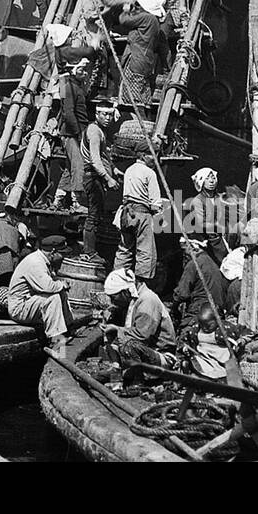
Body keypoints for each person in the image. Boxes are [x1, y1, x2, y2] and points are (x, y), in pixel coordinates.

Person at [8, 235, 73, 358]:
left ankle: (68, 329)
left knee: (60, 293)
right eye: (62, 254)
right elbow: (48, 287)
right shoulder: (35, 262)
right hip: (19, 307)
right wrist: (61, 284)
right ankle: (57, 344)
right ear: (53, 252)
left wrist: (60, 285)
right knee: (52, 299)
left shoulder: (43, 260)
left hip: (29, 303)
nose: (63, 257)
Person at [102, 268, 176, 370]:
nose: (112, 301)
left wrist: (117, 329)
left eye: (114, 298)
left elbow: (141, 336)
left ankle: (137, 382)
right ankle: (118, 368)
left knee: (129, 346)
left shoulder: (147, 300)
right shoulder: (135, 298)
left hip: (161, 355)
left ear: (125, 292)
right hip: (147, 350)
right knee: (114, 343)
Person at [113, 144, 163, 282]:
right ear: (142, 156)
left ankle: (117, 281)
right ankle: (142, 285)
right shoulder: (149, 173)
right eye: (152, 155)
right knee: (146, 251)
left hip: (126, 214)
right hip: (142, 214)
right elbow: (155, 202)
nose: (155, 158)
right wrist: (158, 215)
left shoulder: (129, 170)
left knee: (124, 250)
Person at [79, 101, 119, 264]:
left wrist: (114, 170)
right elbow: (95, 159)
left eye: (110, 114)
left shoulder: (100, 130)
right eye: (104, 114)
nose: (108, 118)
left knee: (96, 214)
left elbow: (103, 155)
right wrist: (108, 178)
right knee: (93, 216)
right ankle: (88, 252)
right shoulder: (95, 132)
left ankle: (91, 249)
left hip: (97, 177)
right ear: (97, 115)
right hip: (94, 177)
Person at [55, 56, 92, 210]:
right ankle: (77, 201)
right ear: (72, 70)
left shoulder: (75, 86)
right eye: (81, 70)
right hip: (71, 132)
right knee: (78, 164)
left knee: (70, 166)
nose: (84, 73)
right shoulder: (68, 87)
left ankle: (59, 197)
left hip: (74, 130)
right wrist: (78, 133)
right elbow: (68, 113)